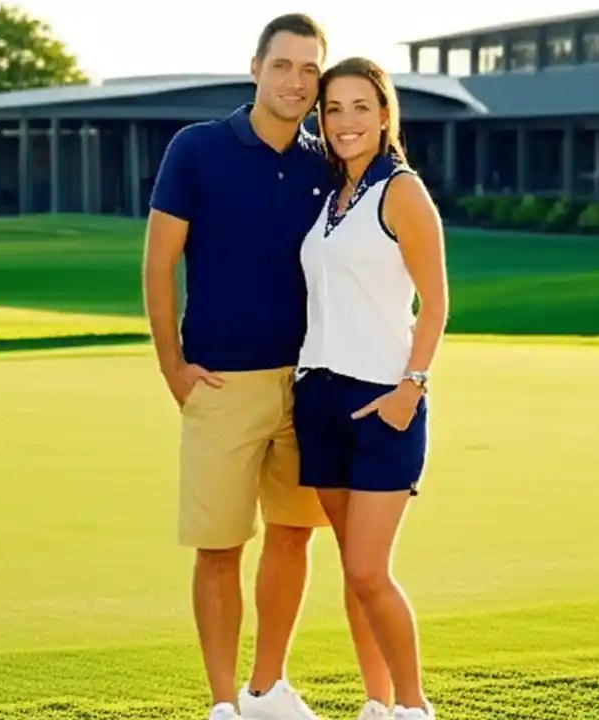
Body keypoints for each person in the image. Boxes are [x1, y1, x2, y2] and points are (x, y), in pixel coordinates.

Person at [142, 13, 336, 720]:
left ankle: (266, 689)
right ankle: (223, 704)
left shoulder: (327, 162)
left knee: (293, 533)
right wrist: (172, 366)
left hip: (310, 382)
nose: (296, 81)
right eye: (283, 65)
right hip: (223, 381)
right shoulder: (197, 149)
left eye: (310, 69)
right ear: (255, 68)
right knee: (219, 547)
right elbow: (158, 263)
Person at [292, 57, 448, 720]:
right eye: (333, 109)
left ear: (385, 115)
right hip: (320, 399)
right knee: (353, 573)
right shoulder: (332, 197)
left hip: (383, 401)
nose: (346, 121)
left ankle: (412, 707)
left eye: (361, 107)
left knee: (367, 570)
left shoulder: (401, 191)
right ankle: (377, 705)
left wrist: (412, 387)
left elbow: (435, 303)